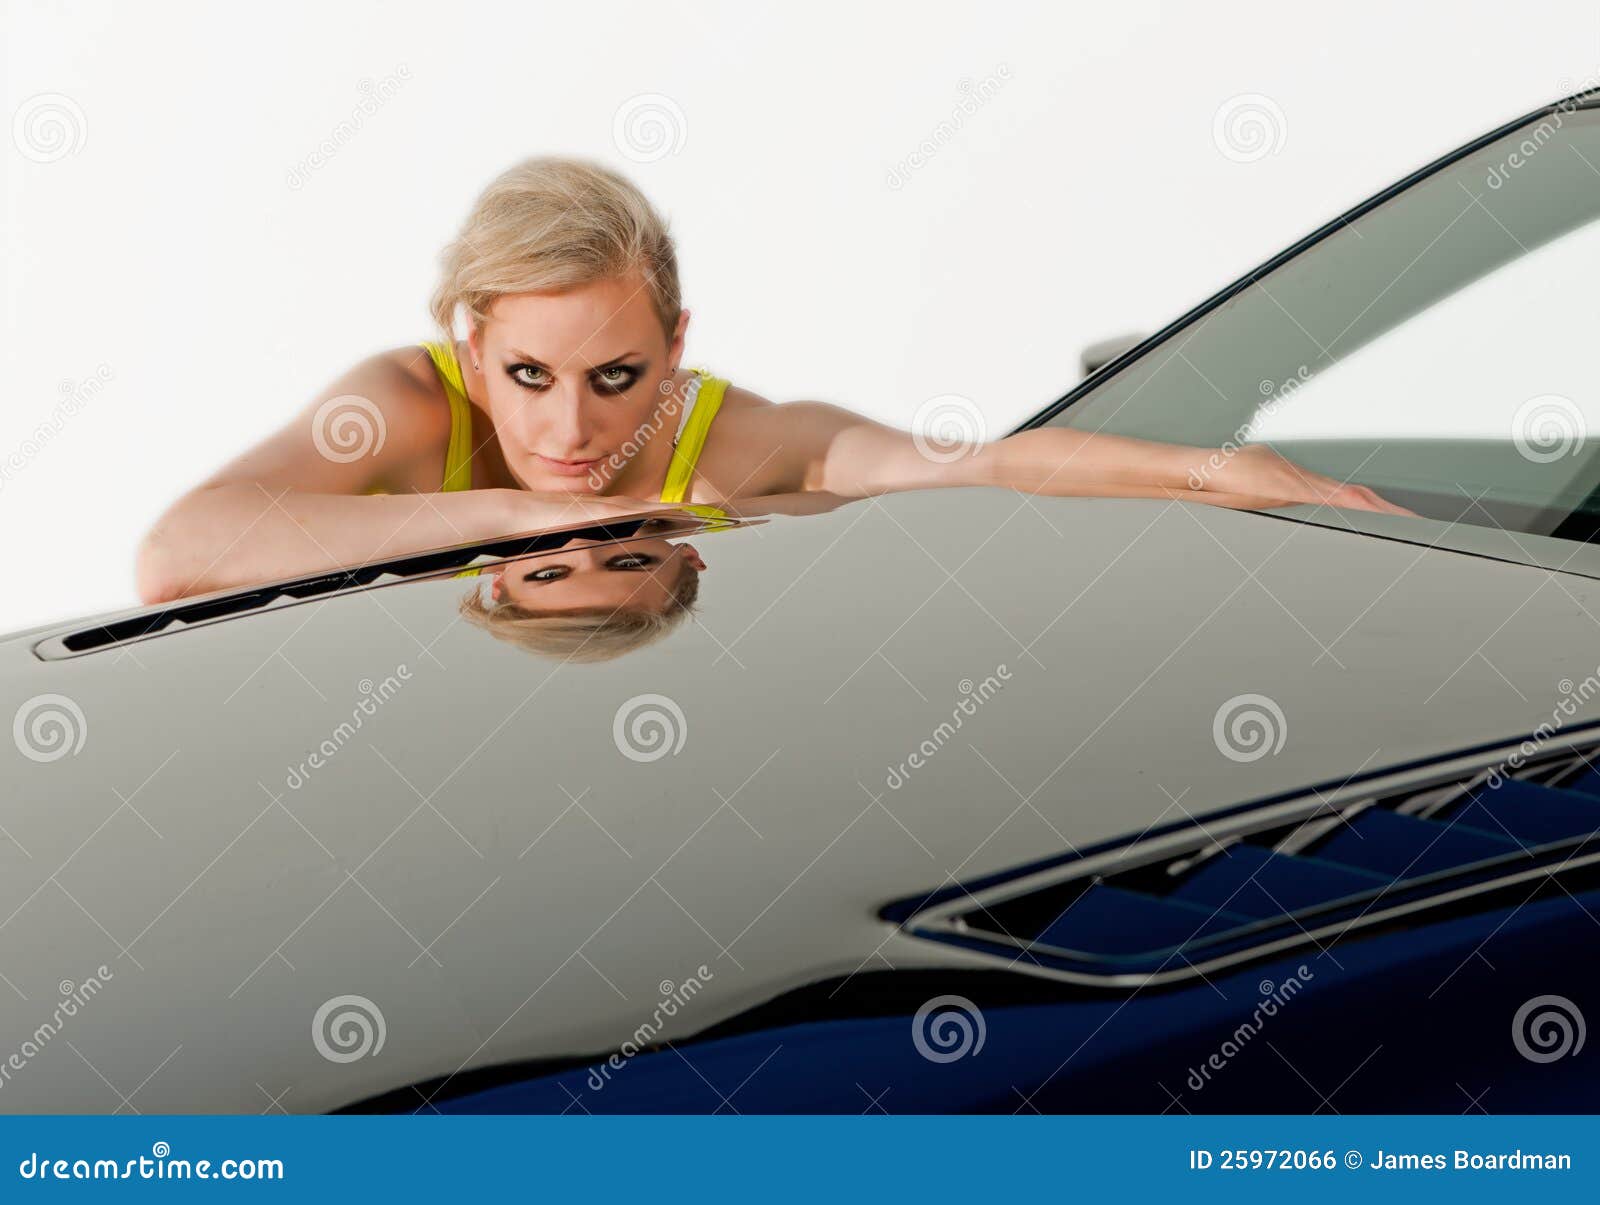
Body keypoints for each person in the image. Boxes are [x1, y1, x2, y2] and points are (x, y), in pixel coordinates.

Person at [136, 155, 1409, 609]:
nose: (567, 426)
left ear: (676, 345)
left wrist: (1216, 467)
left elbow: (964, 466)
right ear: (469, 347)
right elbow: (180, 551)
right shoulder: (408, 403)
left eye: (615, 374)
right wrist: (517, 516)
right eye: (524, 373)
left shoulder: (738, 436)